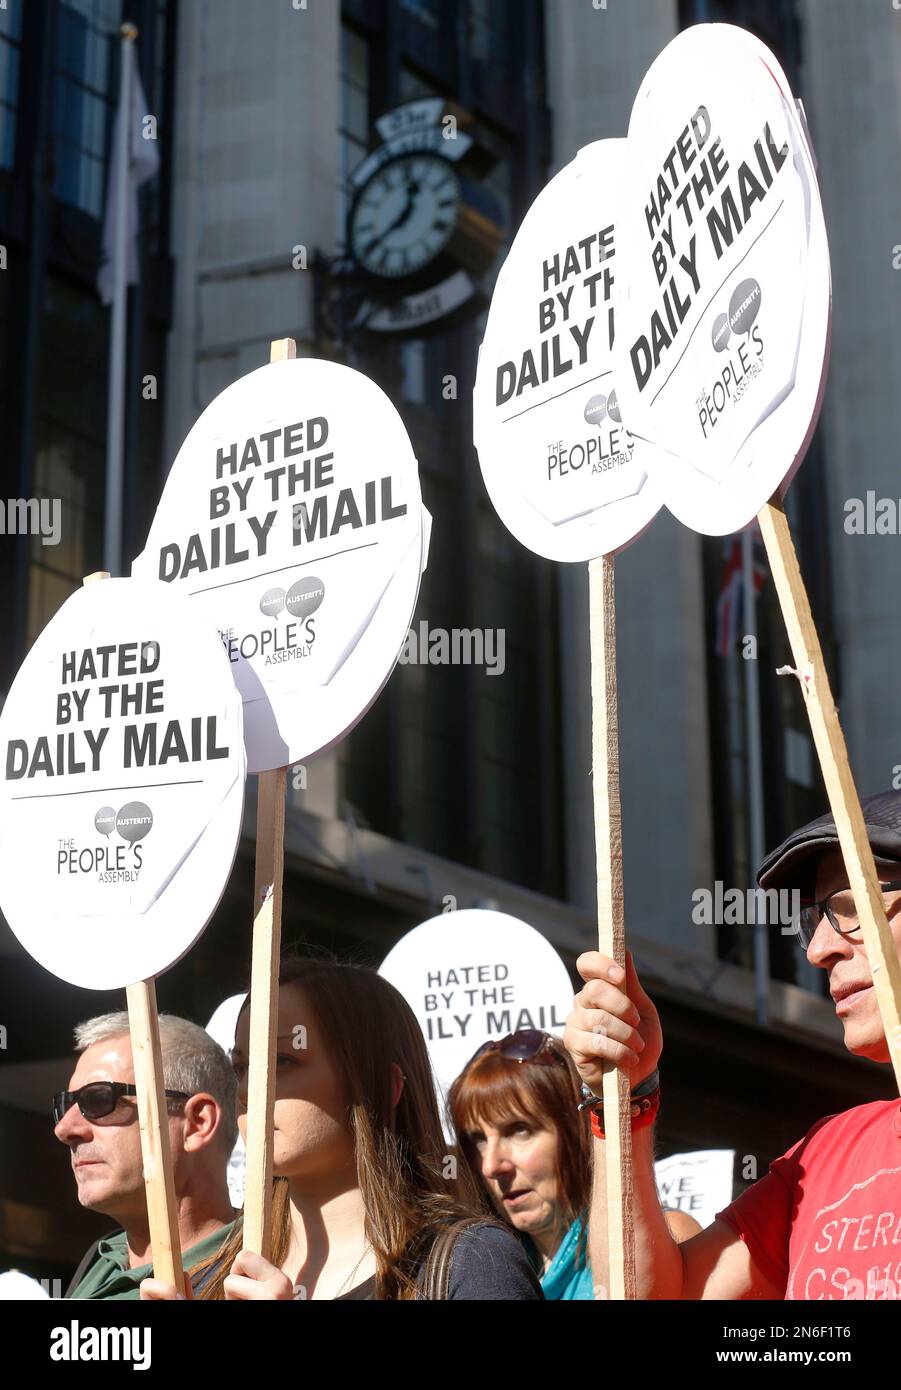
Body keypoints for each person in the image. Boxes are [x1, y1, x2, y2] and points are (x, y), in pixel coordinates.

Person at [565, 789, 901, 1301]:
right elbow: (652, 1297)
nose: (818, 950)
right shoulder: (823, 1155)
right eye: (815, 920)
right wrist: (624, 1096)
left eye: (853, 908)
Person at [143, 957, 543, 1300]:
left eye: (282, 1060)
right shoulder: (213, 1281)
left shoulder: (472, 1265)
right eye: (242, 1066)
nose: (249, 1088)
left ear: (382, 1087)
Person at [448, 1027, 700, 1300]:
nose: (491, 1166)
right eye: (478, 1140)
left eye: (518, 1130)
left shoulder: (665, 1239)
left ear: (577, 1128)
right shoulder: (477, 1269)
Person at [55, 1012, 238, 1299]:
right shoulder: (101, 1260)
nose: (64, 1128)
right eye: (65, 1104)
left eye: (99, 1099)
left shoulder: (262, 1269)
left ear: (197, 1123)